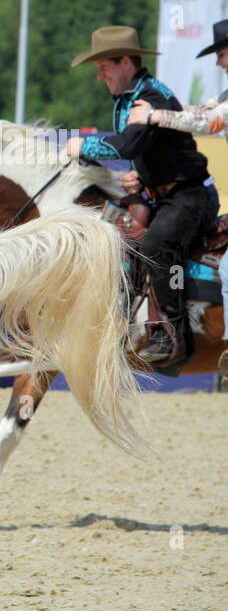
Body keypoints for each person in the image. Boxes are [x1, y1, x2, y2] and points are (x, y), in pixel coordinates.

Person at [63, 26, 216, 368]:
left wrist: (81, 145)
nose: (100, 76)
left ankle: (171, 335)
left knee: (159, 247)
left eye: (104, 67)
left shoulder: (152, 96)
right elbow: (145, 149)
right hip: (164, 194)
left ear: (127, 62)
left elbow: (130, 144)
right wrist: (141, 178)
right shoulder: (128, 97)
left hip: (190, 196)